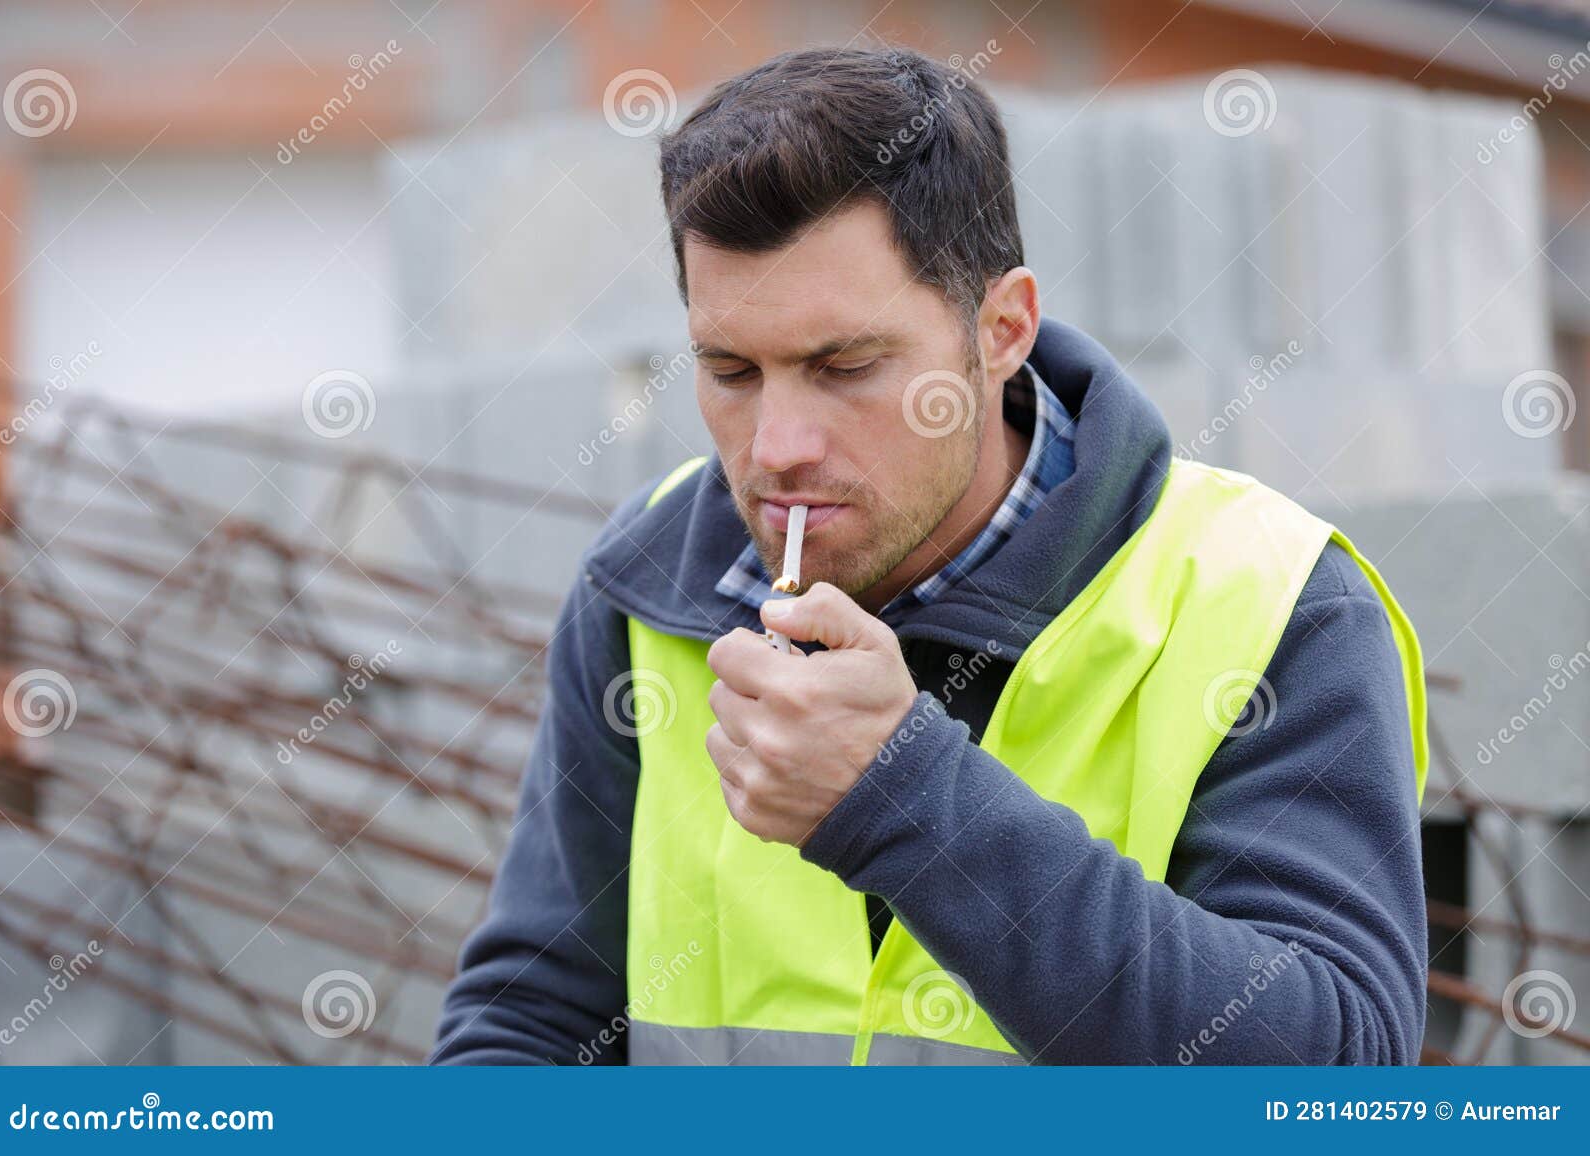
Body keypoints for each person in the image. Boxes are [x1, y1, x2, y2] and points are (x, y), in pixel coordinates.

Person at [431, 46, 1427, 1066]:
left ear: (1000, 330)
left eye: (846, 366)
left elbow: (1330, 1072)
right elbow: (531, 1022)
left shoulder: (1269, 598)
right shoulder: (645, 583)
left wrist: (903, 798)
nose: (776, 447)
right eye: (730, 369)